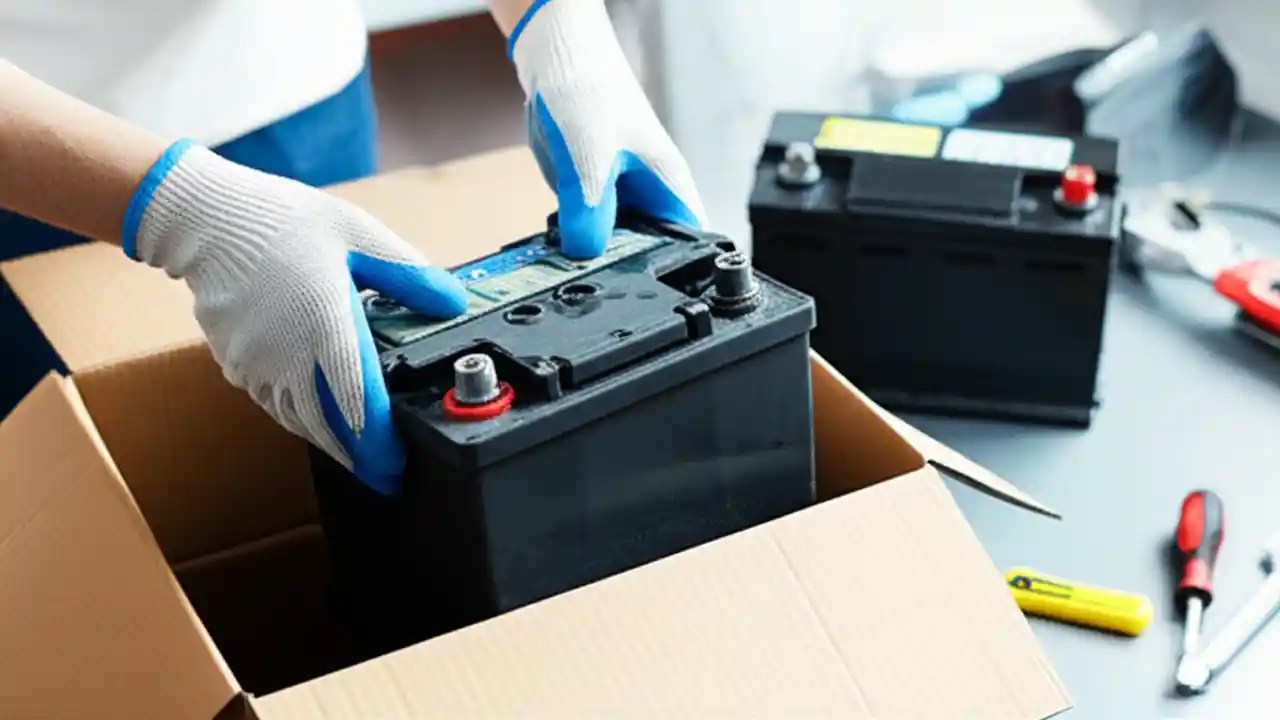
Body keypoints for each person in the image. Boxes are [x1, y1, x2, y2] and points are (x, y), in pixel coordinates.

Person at [0, 0, 705, 492]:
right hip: (37, 155)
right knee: (58, 500)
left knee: (337, 410)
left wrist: (559, 28)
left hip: (293, 88)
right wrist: (181, 211)